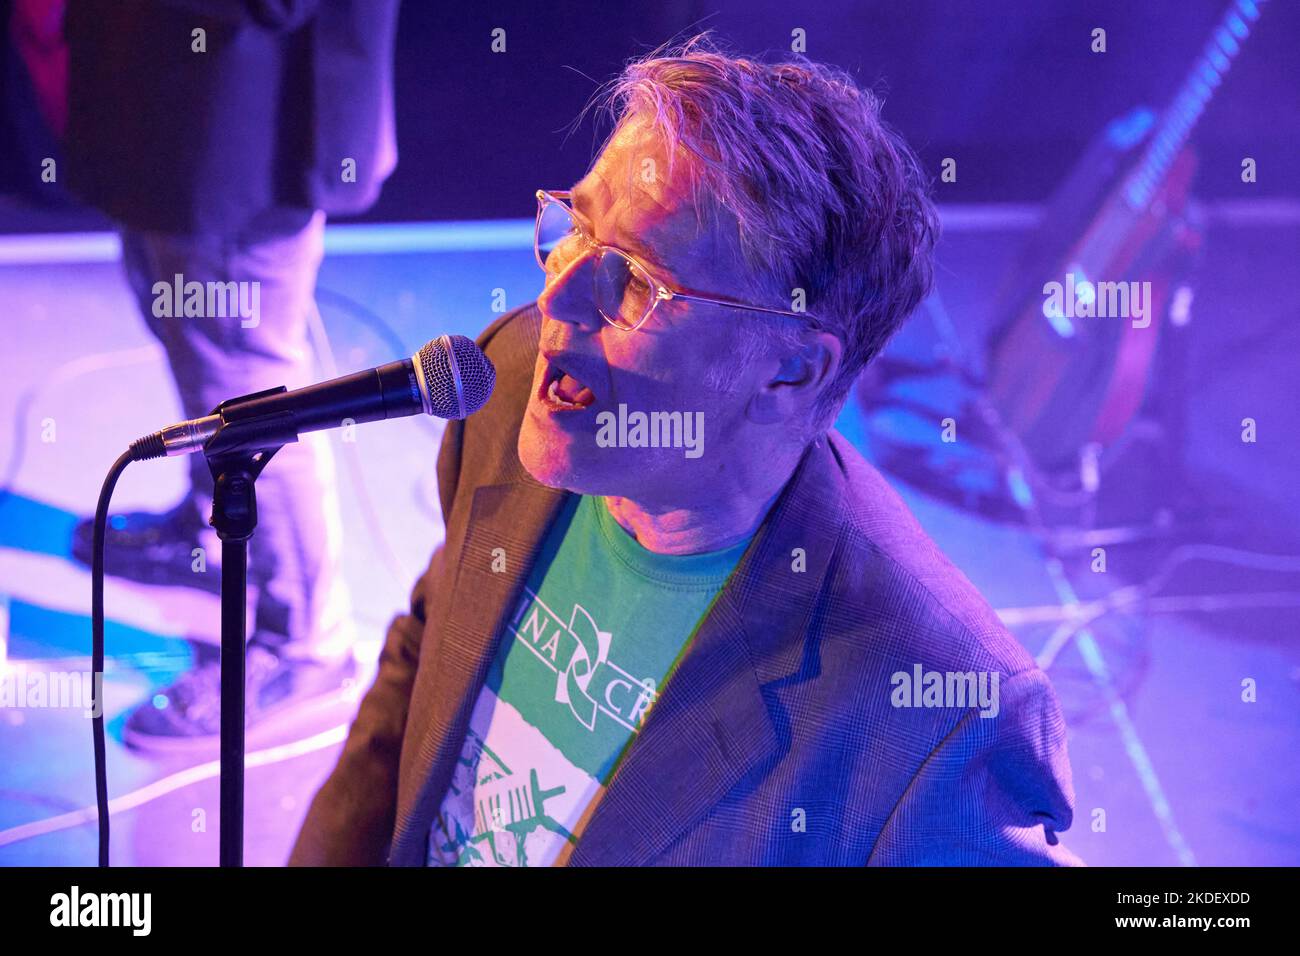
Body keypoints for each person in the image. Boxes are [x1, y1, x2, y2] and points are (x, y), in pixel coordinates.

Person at [291, 36, 1082, 866]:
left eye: (634, 278)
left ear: (791, 368)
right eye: (576, 225)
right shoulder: (509, 384)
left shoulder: (937, 716)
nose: (557, 292)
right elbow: (424, 657)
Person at [61, 0, 401, 748]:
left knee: (247, 393)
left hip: (245, 125)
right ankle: (212, 532)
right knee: (196, 349)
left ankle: (307, 646)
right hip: (173, 109)